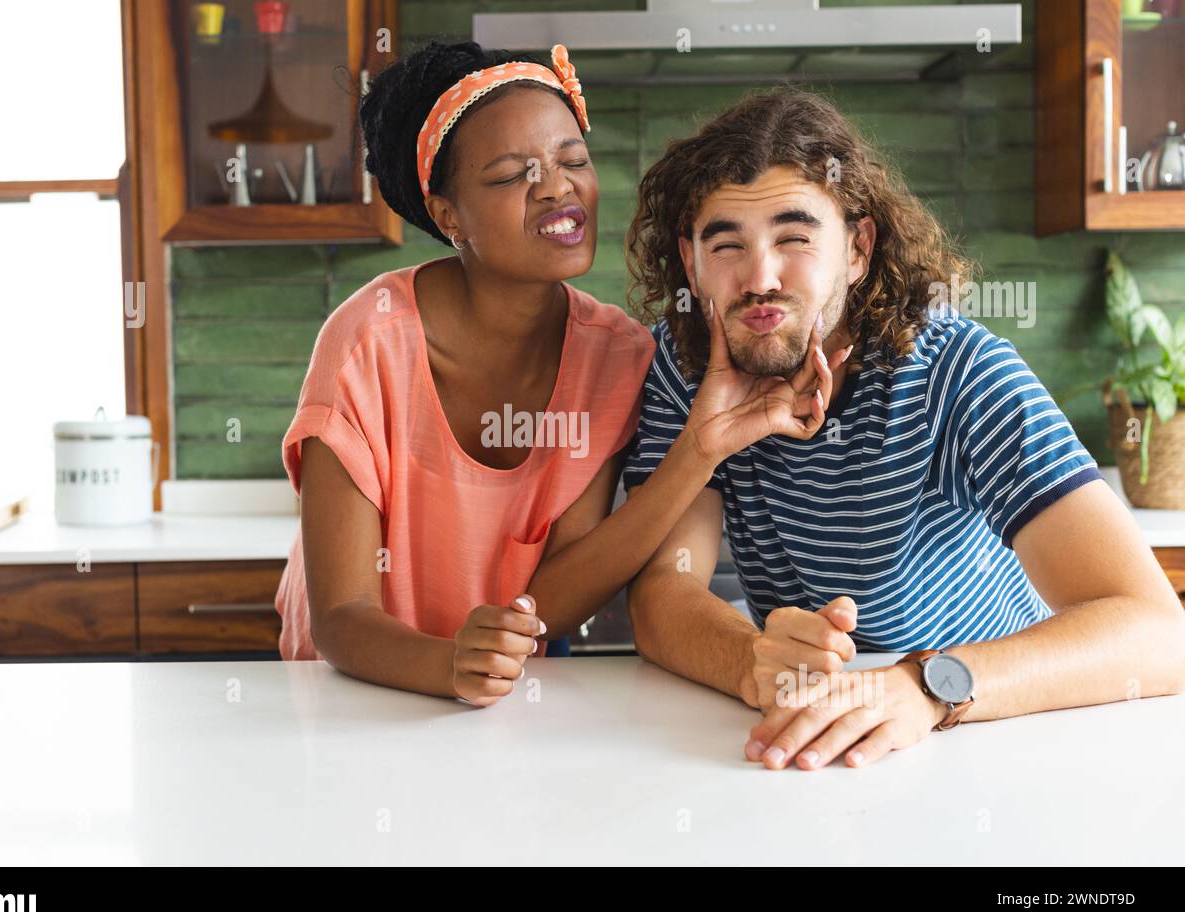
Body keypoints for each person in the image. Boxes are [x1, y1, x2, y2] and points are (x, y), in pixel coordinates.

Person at [622, 88, 1185, 769]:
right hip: (821, 751)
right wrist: (752, 660)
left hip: (997, 736)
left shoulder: (958, 372)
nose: (759, 277)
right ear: (690, 262)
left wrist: (929, 683)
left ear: (858, 249)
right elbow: (661, 593)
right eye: (727, 244)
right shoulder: (685, 368)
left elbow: (1157, 631)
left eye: (794, 238)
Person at [274, 45, 846, 706]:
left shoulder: (616, 358)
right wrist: (449, 663)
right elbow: (341, 619)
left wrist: (701, 448)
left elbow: (554, 597)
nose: (557, 186)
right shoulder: (366, 341)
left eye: (574, 160)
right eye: (515, 173)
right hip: (351, 697)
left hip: (503, 696)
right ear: (448, 214)